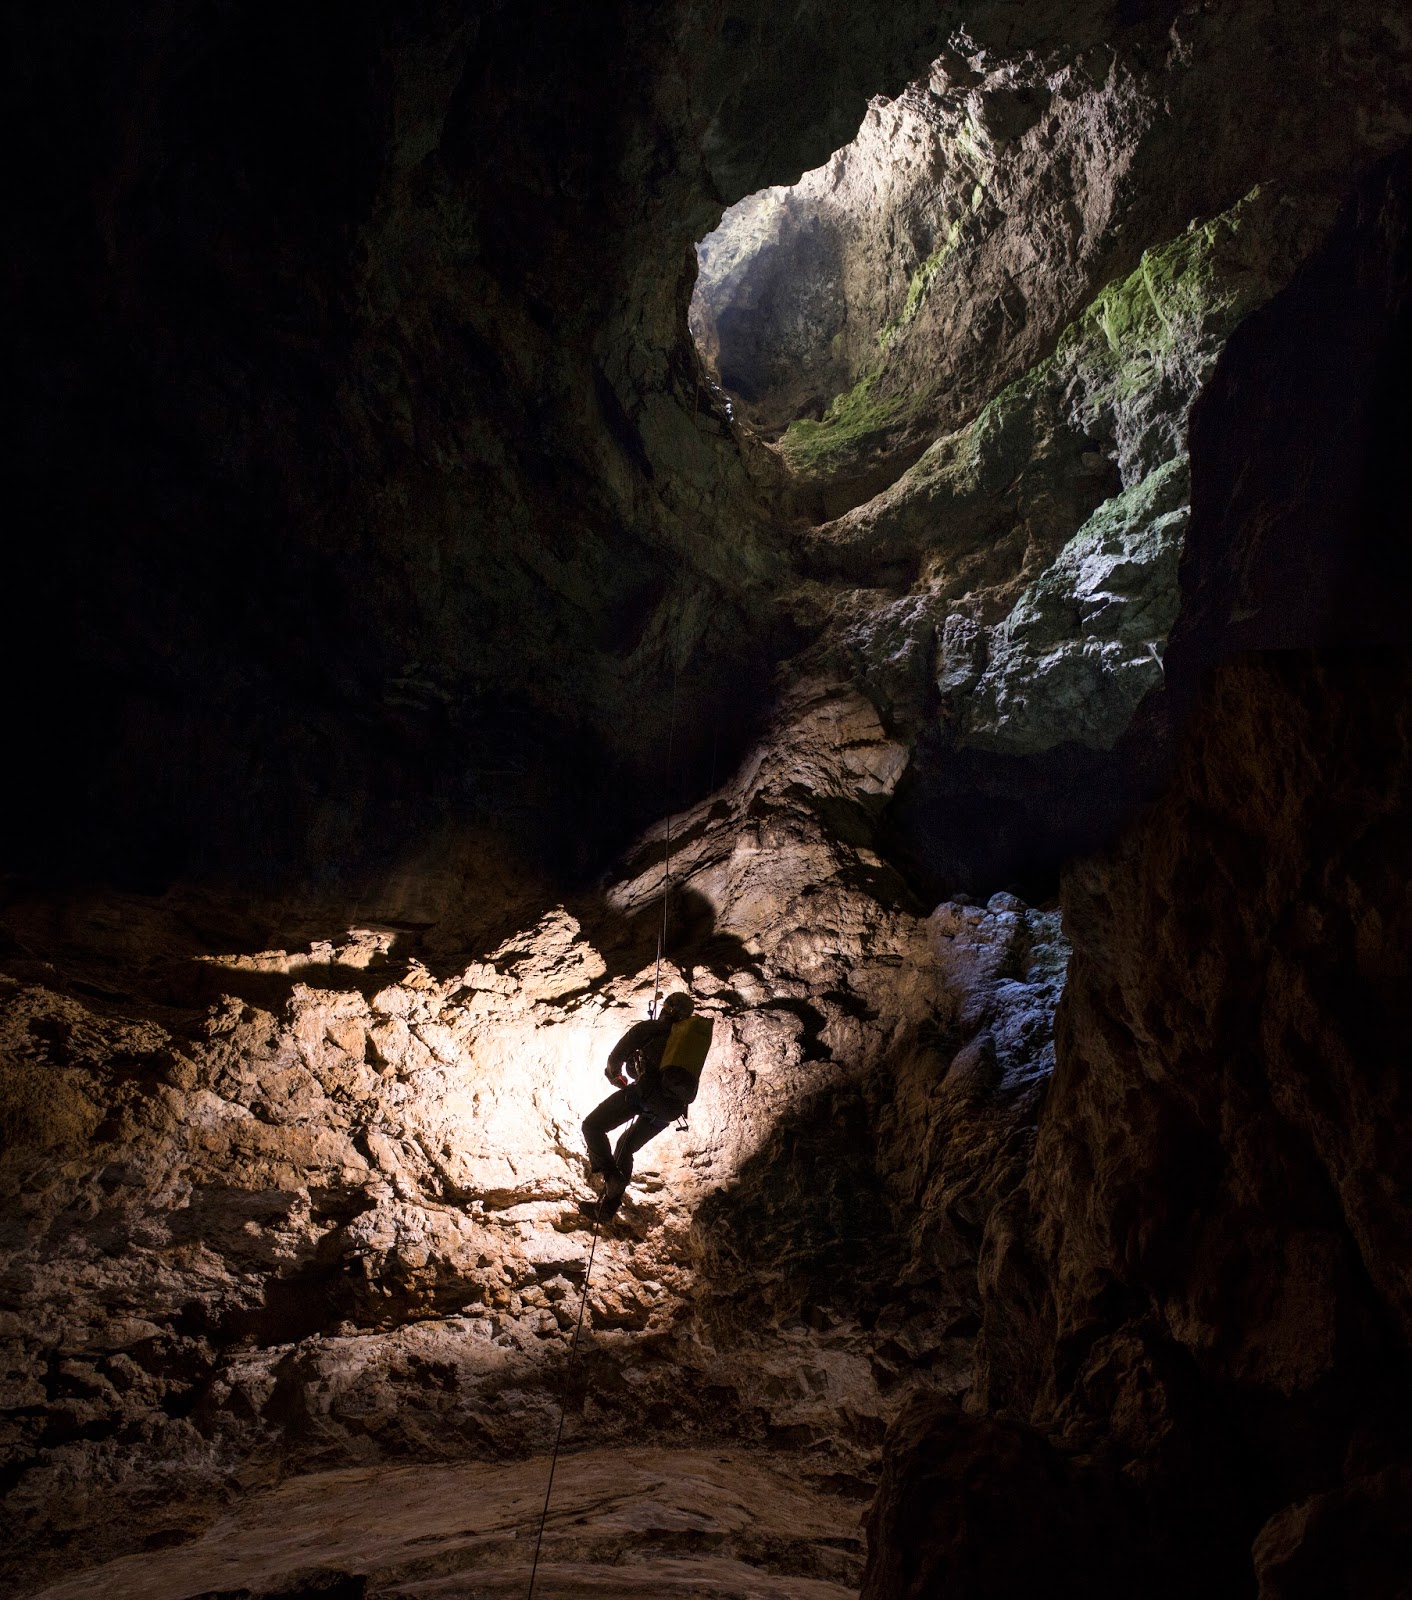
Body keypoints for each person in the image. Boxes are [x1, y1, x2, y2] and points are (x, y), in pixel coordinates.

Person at [582, 992, 697, 1217]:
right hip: (670, 1111)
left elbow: (616, 1058)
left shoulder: (651, 1029)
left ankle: (611, 1176)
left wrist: (615, 1077)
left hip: (644, 1096)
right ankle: (606, 1210)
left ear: (665, 1009)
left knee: (592, 1126)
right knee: (625, 1146)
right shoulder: (689, 1043)